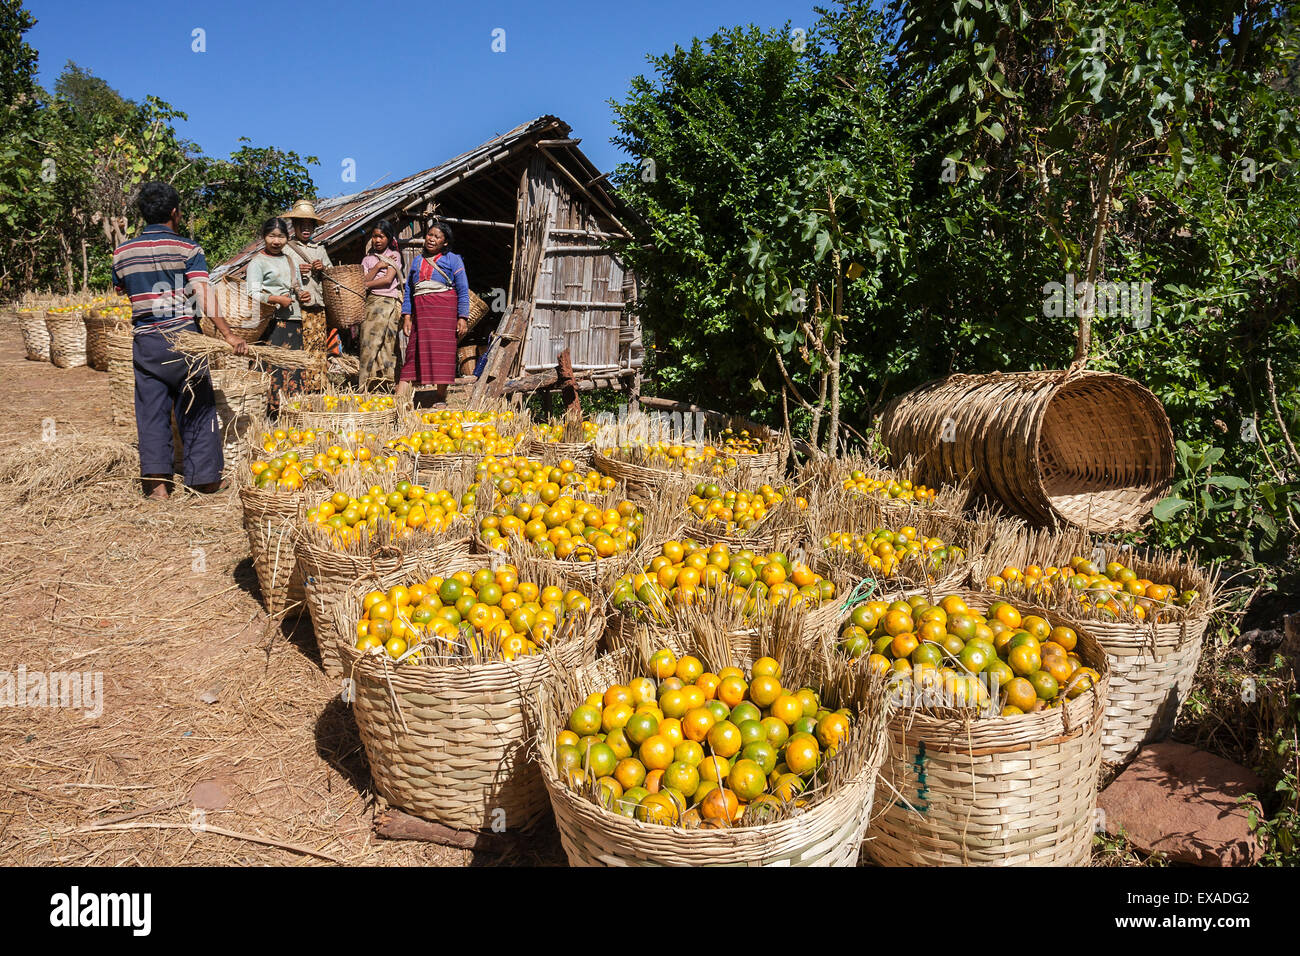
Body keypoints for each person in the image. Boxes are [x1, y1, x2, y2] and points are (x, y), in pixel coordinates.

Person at [111, 181, 249, 499]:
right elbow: (202, 292)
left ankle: (158, 487)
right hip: (185, 340)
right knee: (197, 407)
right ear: (175, 212)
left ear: (143, 214)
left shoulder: (123, 252)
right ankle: (205, 480)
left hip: (146, 342)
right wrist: (227, 334)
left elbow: (122, 290)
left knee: (151, 412)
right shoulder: (188, 249)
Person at [399, 221, 469, 406]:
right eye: (430, 235)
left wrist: (462, 317)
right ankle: (399, 400)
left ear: (445, 242)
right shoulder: (417, 260)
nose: (431, 239)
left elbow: (462, 289)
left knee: (443, 353)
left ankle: (440, 397)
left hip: (444, 311)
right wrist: (407, 315)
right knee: (412, 353)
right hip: (421, 312)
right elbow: (409, 290)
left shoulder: (453, 259)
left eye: (437, 237)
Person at [247, 217, 312, 411]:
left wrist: (302, 295)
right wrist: (276, 299)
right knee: (272, 368)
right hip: (271, 324)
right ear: (263, 237)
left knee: (294, 368)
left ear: (287, 237)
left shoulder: (289, 259)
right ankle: (269, 411)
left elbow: (296, 286)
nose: (276, 241)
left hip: (294, 321)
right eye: (271, 236)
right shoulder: (258, 262)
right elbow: (252, 293)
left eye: (281, 236)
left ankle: (292, 410)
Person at [283, 200, 334, 391]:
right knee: (297, 349)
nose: (306, 228)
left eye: (309, 225)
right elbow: (279, 276)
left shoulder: (319, 249)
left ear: (313, 227)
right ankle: (296, 389)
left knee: (318, 349)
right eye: (301, 224)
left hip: (317, 306)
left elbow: (332, 276)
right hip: (295, 309)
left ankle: (317, 388)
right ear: (294, 225)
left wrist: (323, 269)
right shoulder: (286, 248)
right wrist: (296, 271)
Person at [359, 219, 404, 391]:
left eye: (381, 236)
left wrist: (367, 283)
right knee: (369, 345)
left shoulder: (394, 255)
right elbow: (363, 280)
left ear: (389, 238)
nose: (377, 240)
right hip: (371, 305)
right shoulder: (368, 259)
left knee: (387, 344)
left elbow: (387, 280)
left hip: (389, 304)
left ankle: (385, 384)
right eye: (374, 237)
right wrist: (378, 266)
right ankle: (365, 386)